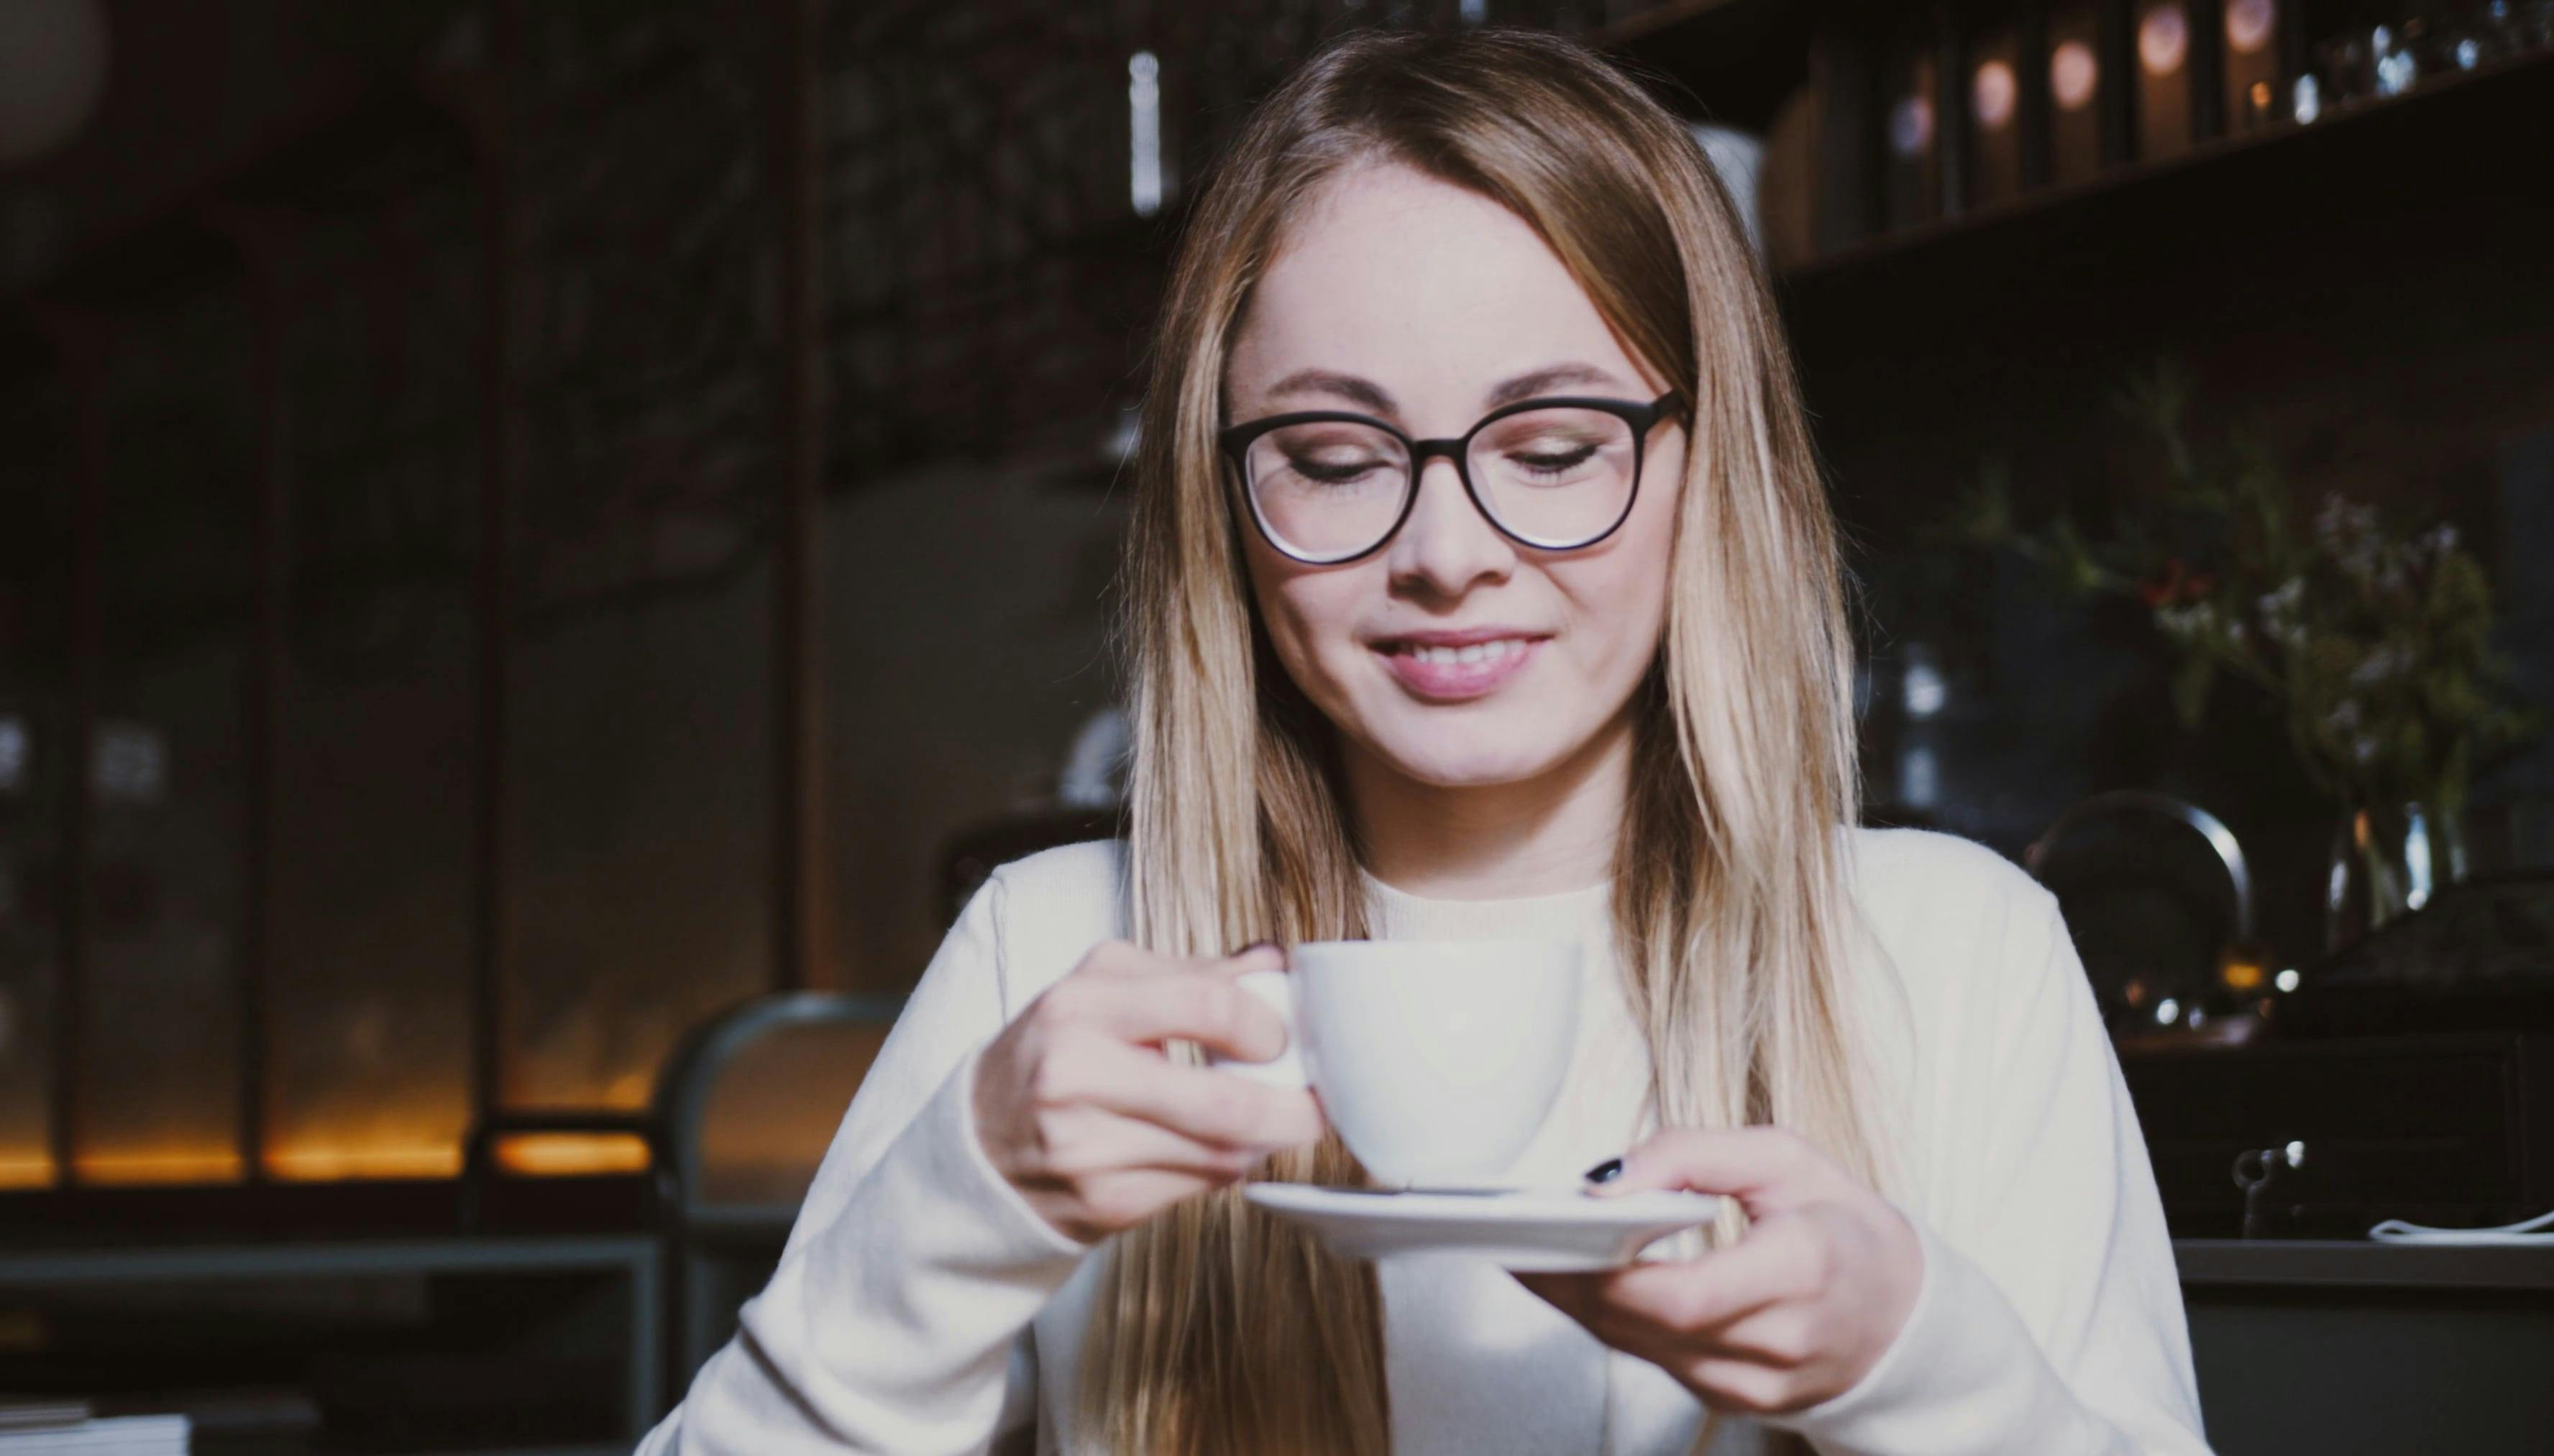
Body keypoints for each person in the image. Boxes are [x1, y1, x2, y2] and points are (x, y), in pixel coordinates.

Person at [644, 26, 2210, 1456]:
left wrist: (1919, 1361)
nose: (1447, 547)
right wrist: (956, 1207)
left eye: (1550, 446)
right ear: (1225, 504)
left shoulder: (1953, 956)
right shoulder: (1057, 956)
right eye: (1333, 455)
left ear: (1703, 464)